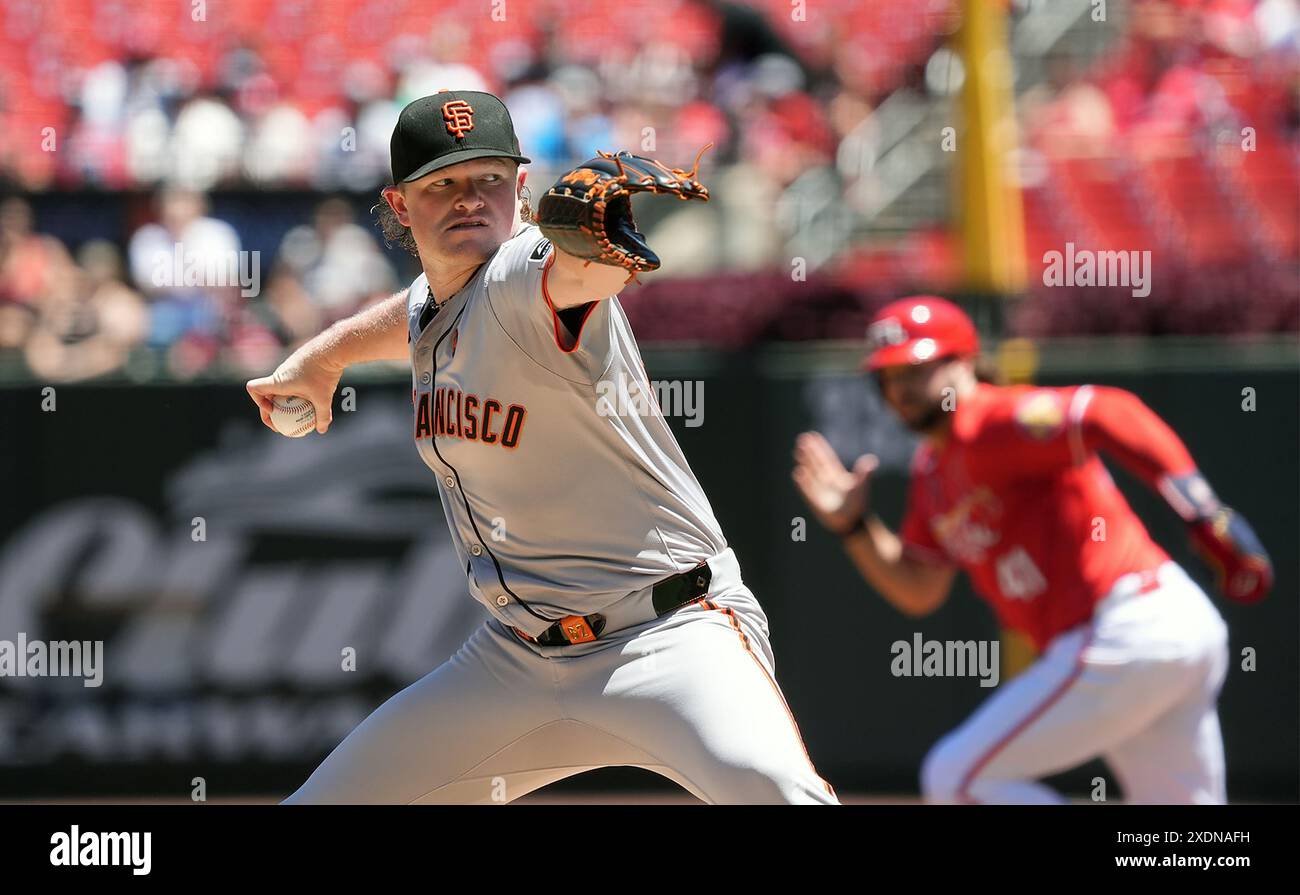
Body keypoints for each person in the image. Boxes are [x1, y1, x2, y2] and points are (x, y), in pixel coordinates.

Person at [246, 90, 837, 805]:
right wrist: (322, 358)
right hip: (515, 664)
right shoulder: (435, 305)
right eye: (443, 184)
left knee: (780, 793)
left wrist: (599, 241)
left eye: (490, 179)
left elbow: (578, 272)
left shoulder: (528, 270)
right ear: (401, 206)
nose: (470, 199)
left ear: (522, 190)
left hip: (670, 638)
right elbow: (406, 315)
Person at [792, 295, 1272, 804]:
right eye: (888, 376)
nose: (901, 387)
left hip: (1125, 627)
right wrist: (856, 527)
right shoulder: (932, 472)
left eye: (917, 367)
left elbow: (1108, 410)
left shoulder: (989, 420)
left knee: (957, 778)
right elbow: (919, 588)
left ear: (965, 361)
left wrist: (1199, 506)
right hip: (1155, 638)